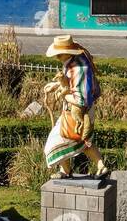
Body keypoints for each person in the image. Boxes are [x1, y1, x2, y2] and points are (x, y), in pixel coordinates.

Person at [42, 35, 108, 180]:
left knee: (56, 142)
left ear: (68, 52)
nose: (57, 57)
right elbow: (70, 83)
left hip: (78, 112)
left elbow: (81, 99)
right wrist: (57, 85)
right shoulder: (73, 62)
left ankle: (67, 171)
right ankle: (99, 166)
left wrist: (63, 95)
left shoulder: (78, 68)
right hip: (77, 111)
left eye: (59, 54)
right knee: (83, 142)